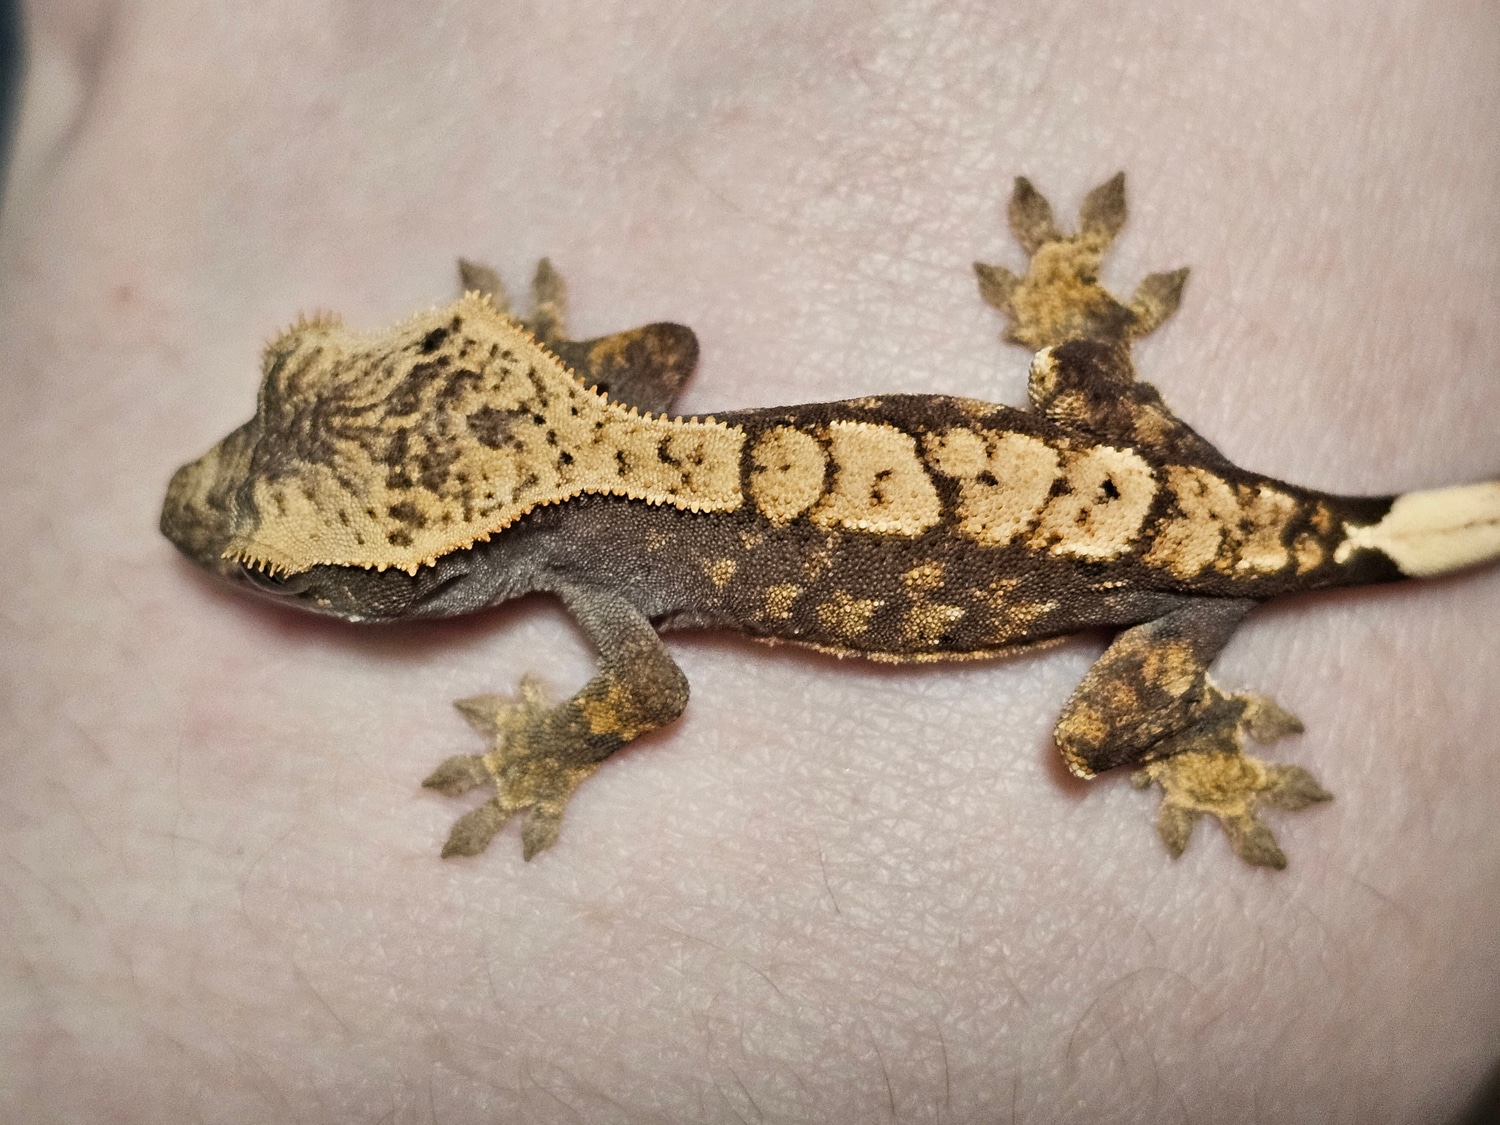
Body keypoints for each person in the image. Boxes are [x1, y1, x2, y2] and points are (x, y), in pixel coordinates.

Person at [1, 2, 1496, 1120]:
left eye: (304, 576)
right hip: (1119, 457)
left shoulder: (609, 585)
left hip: (1172, 586)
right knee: (1081, 385)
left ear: (426, 582)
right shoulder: (611, 436)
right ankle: (1091, 330)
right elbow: (664, 350)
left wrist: (546, 746)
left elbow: (644, 703)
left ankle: (1202, 732)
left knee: (1097, 734)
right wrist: (552, 369)